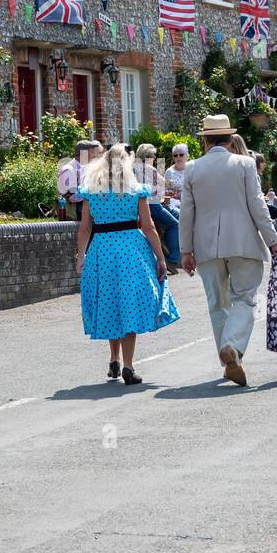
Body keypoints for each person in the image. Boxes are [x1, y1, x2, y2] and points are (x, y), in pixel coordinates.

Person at [179, 115, 277, 386]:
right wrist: (273, 240)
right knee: (246, 298)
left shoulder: (191, 169)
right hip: (243, 242)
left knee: (217, 304)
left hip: (206, 247)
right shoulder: (245, 164)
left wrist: (185, 251)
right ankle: (232, 348)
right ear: (229, 139)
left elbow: (186, 214)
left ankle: (228, 359)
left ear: (205, 139)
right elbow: (258, 206)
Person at [75, 144, 179, 386]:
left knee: (111, 302)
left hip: (102, 249)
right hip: (132, 250)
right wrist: (161, 258)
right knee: (128, 303)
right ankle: (129, 366)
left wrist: (81, 255)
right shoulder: (136, 191)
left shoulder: (92, 191)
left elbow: (85, 227)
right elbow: (149, 226)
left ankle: (114, 359)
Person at [133, 143, 181, 274]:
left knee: (177, 217)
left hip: (140, 205)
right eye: (154, 155)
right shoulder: (149, 169)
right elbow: (161, 187)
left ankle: (170, 252)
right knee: (174, 225)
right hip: (152, 206)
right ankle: (172, 258)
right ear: (149, 156)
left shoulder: (133, 168)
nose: (155, 158)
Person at [58, 140, 101, 221]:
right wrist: (94, 192)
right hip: (73, 217)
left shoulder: (83, 168)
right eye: (91, 152)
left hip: (84, 214)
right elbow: (72, 197)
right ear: (83, 153)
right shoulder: (69, 169)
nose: (93, 155)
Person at [163, 143, 189, 212]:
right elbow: (164, 190)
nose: (178, 157)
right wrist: (168, 193)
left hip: (189, 204)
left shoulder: (192, 169)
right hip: (173, 205)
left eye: (181, 155)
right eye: (175, 155)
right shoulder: (169, 171)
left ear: (187, 156)